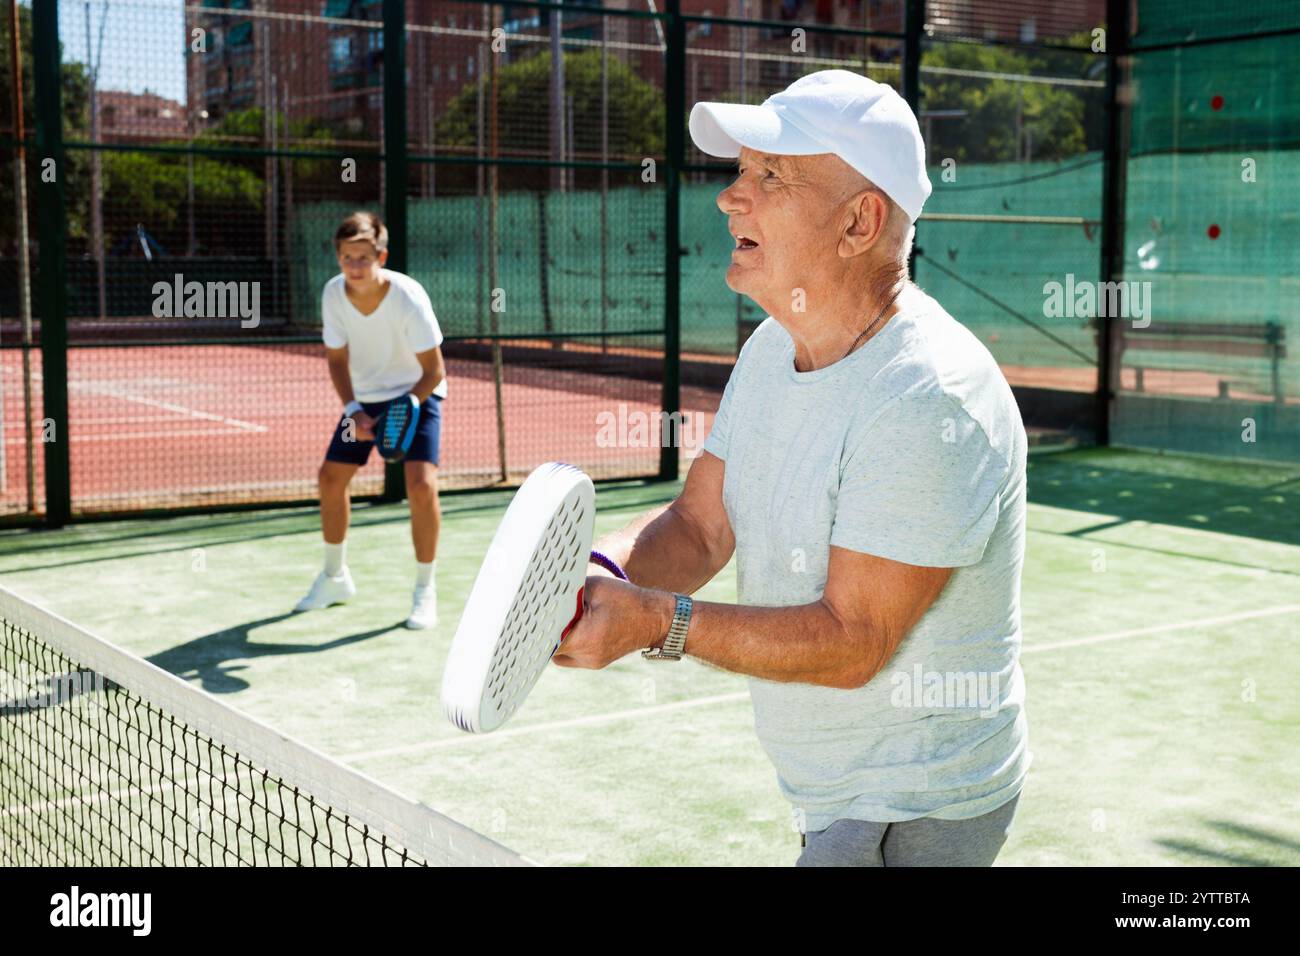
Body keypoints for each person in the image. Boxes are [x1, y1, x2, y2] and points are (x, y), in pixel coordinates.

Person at [554, 70, 1030, 866]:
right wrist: (594, 578)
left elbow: (853, 641)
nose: (730, 198)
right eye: (742, 171)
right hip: (828, 788)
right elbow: (701, 525)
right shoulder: (775, 347)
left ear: (859, 222)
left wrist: (655, 622)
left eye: (771, 176)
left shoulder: (930, 399)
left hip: (913, 804)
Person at [294, 211, 448, 630]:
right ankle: (334, 578)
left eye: (363, 257)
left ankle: (425, 589)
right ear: (338, 258)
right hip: (364, 402)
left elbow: (434, 370)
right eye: (347, 257)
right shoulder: (333, 294)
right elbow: (337, 360)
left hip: (418, 393)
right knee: (330, 478)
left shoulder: (408, 296)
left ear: (381, 255)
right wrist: (354, 412)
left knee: (421, 485)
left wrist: (404, 409)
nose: (355, 266)